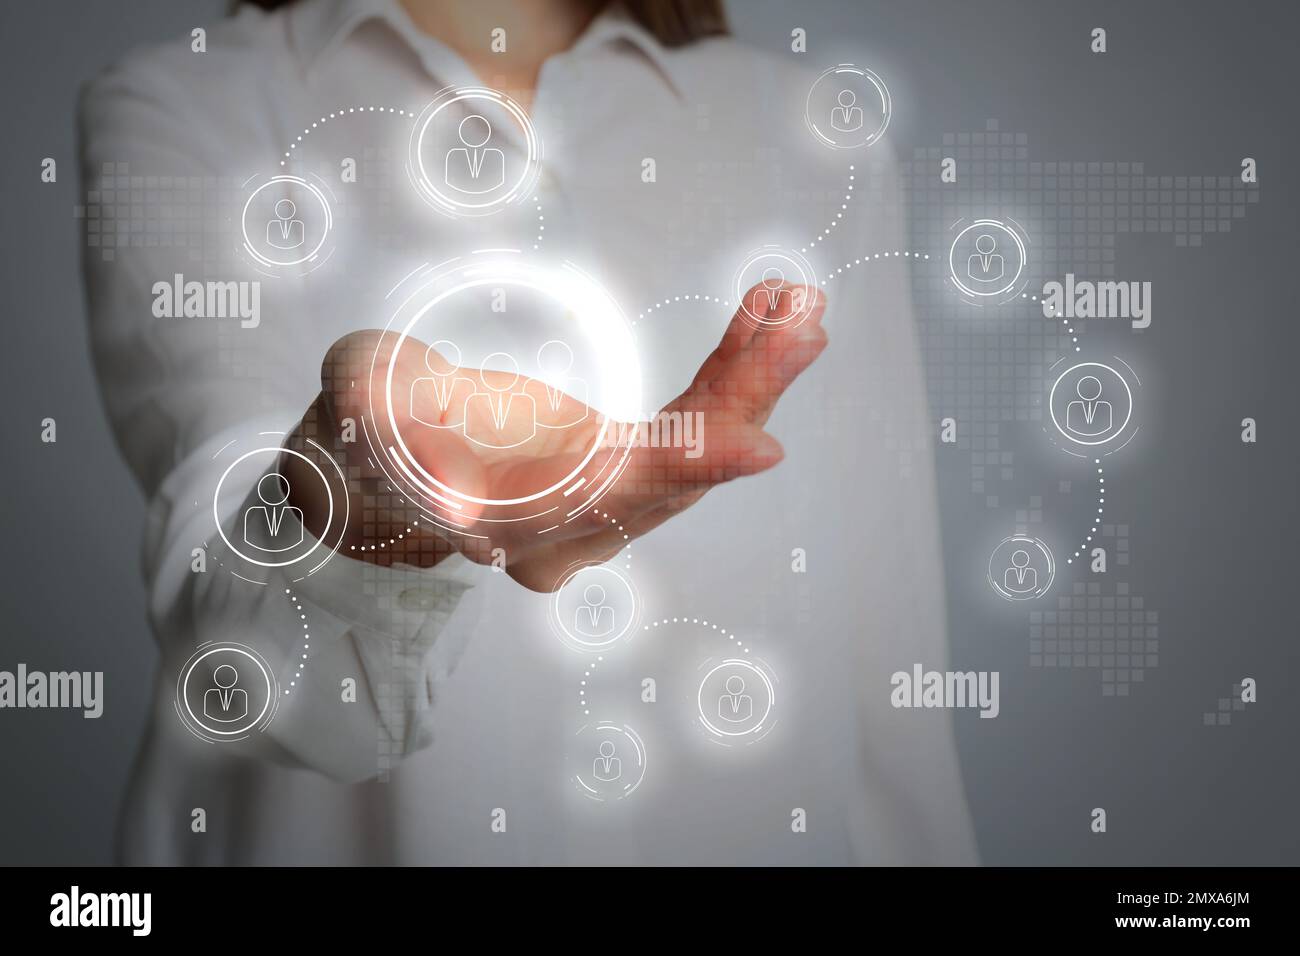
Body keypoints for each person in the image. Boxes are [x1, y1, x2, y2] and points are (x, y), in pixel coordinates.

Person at [80, 0, 976, 864]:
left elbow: (891, 696)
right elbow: (225, 624)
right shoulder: (188, 101)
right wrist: (351, 508)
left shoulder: (814, 134)